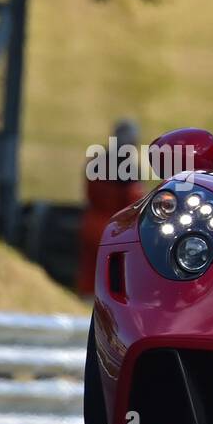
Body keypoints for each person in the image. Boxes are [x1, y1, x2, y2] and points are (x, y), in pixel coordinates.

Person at [75, 118, 145, 295]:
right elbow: (134, 201)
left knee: (89, 273)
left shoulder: (97, 159)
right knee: (115, 281)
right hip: (116, 231)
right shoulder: (128, 167)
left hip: (90, 223)